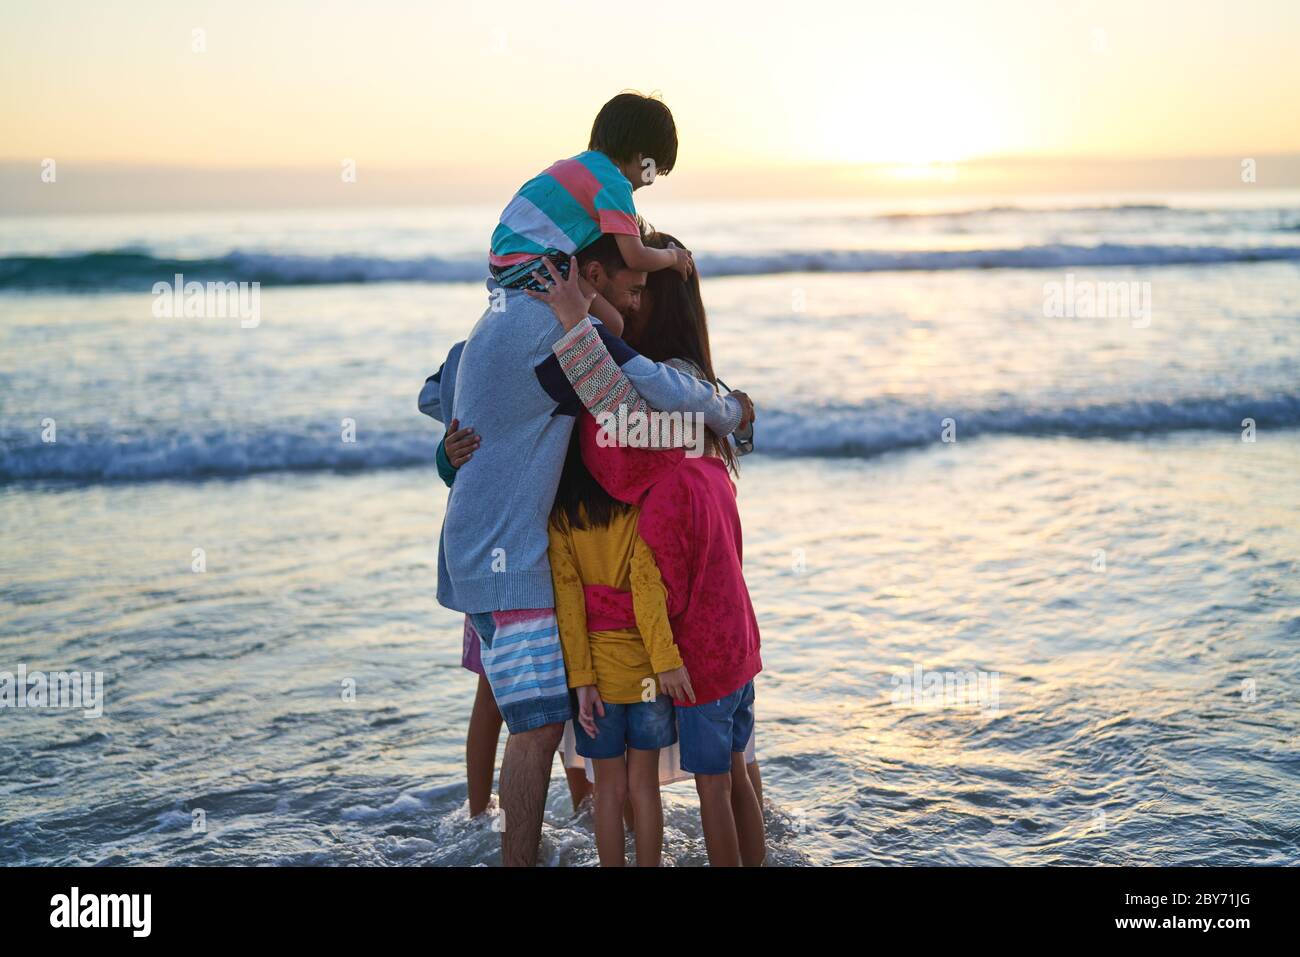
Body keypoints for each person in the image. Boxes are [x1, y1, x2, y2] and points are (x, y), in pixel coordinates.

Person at [421, 230, 753, 866]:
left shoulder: (522, 326)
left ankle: (577, 838)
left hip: (550, 561)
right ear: (589, 273)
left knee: (563, 724)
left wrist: (725, 413)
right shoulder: (555, 338)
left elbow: (438, 390)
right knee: (546, 723)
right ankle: (535, 844)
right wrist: (726, 411)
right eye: (628, 288)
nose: (630, 304)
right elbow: (626, 412)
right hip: (530, 559)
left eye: (641, 293)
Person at [536, 231, 766, 866]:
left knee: (716, 785)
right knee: (736, 776)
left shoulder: (662, 426)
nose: (628, 303)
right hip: (738, 636)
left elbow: (613, 409)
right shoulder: (703, 422)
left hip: (690, 650)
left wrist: (575, 320)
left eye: (639, 293)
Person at [547, 428, 692, 866]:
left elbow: (568, 604)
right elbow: (649, 589)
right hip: (648, 672)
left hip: (600, 678)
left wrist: (582, 680)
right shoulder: (638, 507)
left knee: (608, 791)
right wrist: (666, 660)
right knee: (644, 788)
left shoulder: (561, 519)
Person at [488, 91, 694, 333]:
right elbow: (635, 257)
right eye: (654, 172)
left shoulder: (576, 165)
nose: (649, 183)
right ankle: (591, 369)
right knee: (614, 324)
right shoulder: (614, 184)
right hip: (530, 261)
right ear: (643, 158)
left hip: (500, 259)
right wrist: (673, 257)